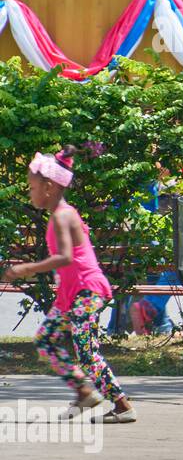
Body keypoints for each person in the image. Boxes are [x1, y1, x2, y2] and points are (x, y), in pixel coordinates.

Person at [3, 147, 137, 423]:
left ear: (49, 187)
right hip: (71, 293)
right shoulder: (61, 214)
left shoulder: (63, 215)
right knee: (45, 340)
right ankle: (84, 390)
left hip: (87, 290)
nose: (30, 193)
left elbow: (64, 257)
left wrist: (25, 268)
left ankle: (122, 406)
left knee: (86, 353)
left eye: (32, 187)